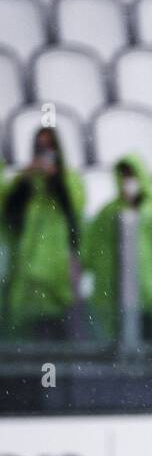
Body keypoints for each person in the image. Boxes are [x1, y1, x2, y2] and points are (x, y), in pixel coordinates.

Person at [82, 156, 152, 342]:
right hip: (114, 299)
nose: (128, 182)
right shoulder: (108, 213)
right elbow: (90, 251)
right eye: (124, 176)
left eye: (132, 175)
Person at [0, 127, 84, 339]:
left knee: (60, 339)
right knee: (28, 339)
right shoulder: (25, 182)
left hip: (58, 275)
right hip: (27, 275)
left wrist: (55, 179)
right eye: (39, 147)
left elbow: (74, 209)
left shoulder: (69, 180)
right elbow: (10, 215)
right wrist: (25, 181)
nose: (43, 152)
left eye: (48, 147)